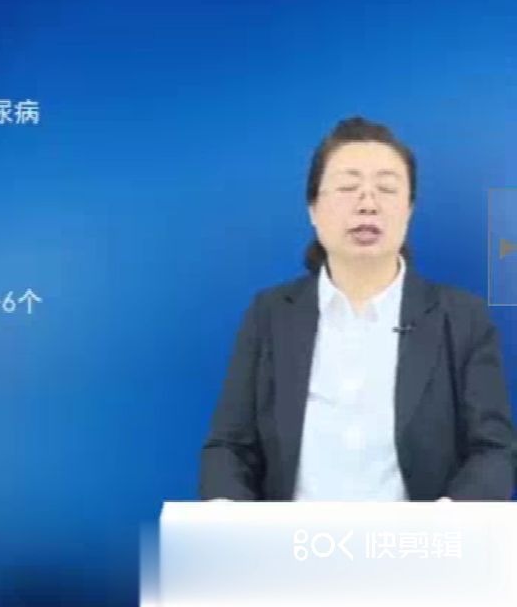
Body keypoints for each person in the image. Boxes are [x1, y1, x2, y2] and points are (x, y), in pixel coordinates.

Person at [199, 116, 516, 501]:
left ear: (409, 210)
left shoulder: (462, 317)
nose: (367, 204)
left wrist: (447, 522)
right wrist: (230, 516)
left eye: (386, 189)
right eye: (348, 188)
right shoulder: (270, 314)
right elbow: (229, 448)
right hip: (296, 537)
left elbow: (494, 449)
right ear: (313, 209)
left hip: (417, 538)